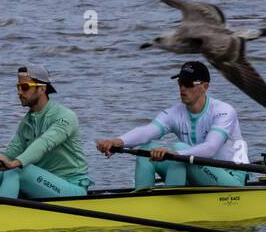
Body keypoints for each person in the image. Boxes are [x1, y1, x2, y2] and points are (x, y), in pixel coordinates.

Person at [95, 61, 249, 189]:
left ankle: (170, 203)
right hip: (194, 169)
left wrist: (176, 154)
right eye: (180, 83)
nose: (182, 88)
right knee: (147, 148)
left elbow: (211, 148)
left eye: (188, 84)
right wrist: (117, 141)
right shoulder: (175, 113)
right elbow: (147, 131)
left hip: (231, 178)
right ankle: (142, 198)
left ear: (205, 86)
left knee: (180, 149)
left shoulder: (224, 111)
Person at [0, 63, 91, 199]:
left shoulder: (65, 116)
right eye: (18, 87)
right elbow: (11, 152)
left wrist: (13, 163)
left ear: (42, 89)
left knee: (16, 170)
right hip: (43, 184)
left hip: (71, 188)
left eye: (25, 87)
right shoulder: (27, 121)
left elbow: (43, 144)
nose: (19, 92)